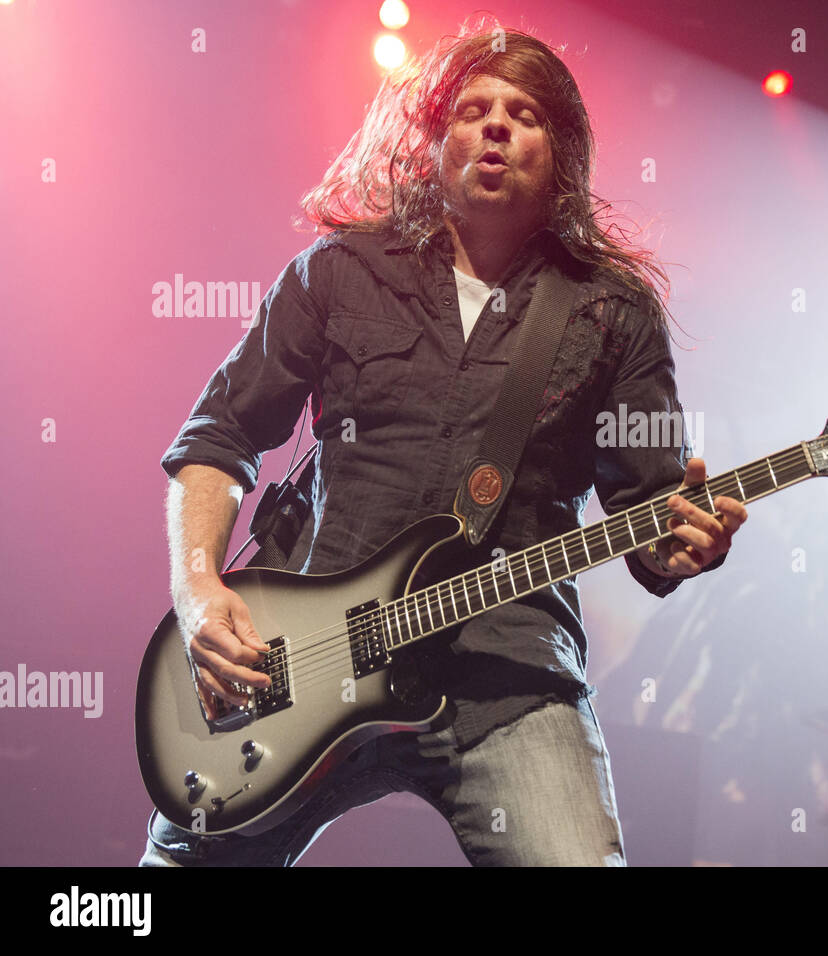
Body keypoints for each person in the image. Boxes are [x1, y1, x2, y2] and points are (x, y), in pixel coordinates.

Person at [138, 26, 746, 867]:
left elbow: (648, 523)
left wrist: (686, 547)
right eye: (473, 108)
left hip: (509, 672)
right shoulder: (339, 273)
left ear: (560, 151)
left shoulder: (613, 312)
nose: (496, 126)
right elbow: (217, 438)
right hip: (308, 664)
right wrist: (199, 589)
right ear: (434, 137)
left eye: (524, 112)